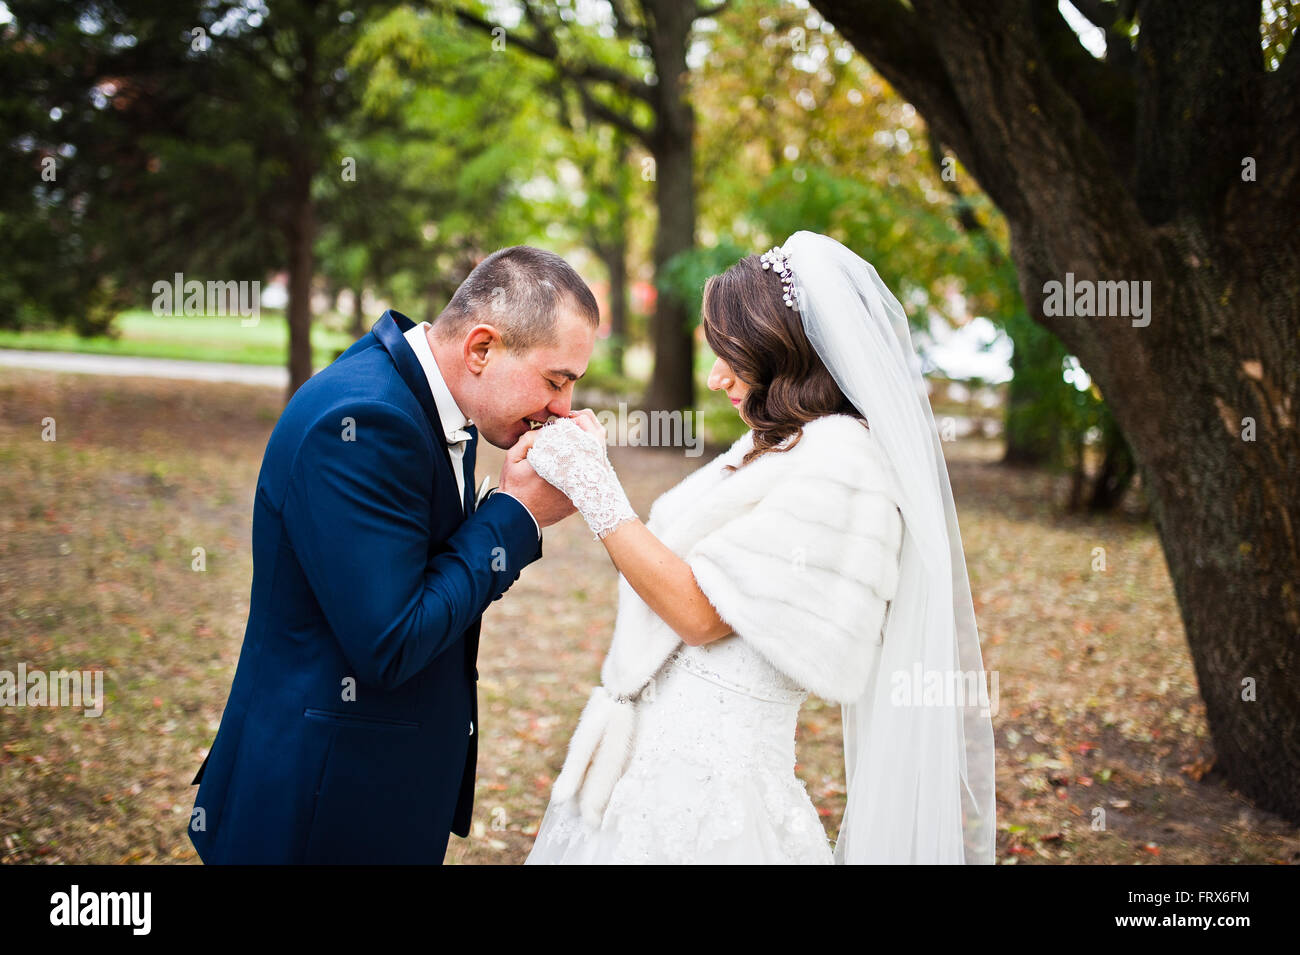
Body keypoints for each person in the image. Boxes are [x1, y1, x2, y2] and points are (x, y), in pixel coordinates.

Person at [520, 232, 996, 864]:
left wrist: (596, 488)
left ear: (783, 353)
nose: (716, 378)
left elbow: (698, 614)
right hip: (646, 768)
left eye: (732, 358)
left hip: (716, 795)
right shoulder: (774, 447)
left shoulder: (842, 460)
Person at [187, 246, 596, 863]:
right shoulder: (365, 421)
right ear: (481, 349)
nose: (563, 406)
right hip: (318, 809)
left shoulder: (421, 396)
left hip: (367, 791)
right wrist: (519, 517)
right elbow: (391, 641)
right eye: (555, 380)